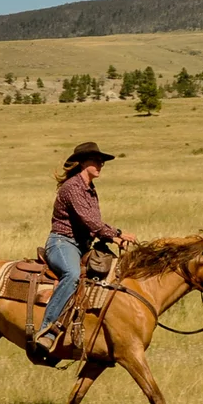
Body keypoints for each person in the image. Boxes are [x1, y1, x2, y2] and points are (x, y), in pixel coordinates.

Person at [34, 142, 138, 353]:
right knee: (72, 275)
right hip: (63, 243)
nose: (100, 164)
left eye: (101, 161)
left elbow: (92, 223)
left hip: (83, 245)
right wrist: (116, 235)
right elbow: (90, 221)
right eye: (95, 160)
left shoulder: (90, 188)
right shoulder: (72, 187)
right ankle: (48, 330)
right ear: (82, 163)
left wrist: (112, 236)